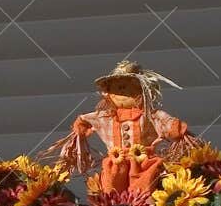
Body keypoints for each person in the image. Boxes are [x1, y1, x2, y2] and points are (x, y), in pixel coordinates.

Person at [48, 60, 196, 196]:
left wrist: (175, 129)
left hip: (144, 164)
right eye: (118, 88)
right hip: (115, 165)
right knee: (112, 194)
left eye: (129, 86)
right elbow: (86, 120)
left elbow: (165, 122)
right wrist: (80, 127)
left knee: (145, 192)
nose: (123, 90)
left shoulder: (149, 115)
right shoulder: (106, 116)